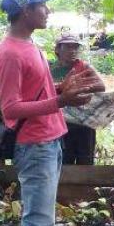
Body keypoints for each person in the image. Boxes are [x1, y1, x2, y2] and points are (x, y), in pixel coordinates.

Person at [0, 0, 103, 226]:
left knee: (46, 217)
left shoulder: (31, 46)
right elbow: (11, 108)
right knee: (37, 221)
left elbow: (35, 91)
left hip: (51, 138)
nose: (47, 10)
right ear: (25, 10)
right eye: (42, 5)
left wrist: (61, 89)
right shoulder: (10, 53)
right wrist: (61, 100)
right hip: (35, 144)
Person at [48, 34, 98, 165]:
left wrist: (78, 88)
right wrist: (61, 87)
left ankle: (86, 185)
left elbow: (101, 86)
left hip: (84, 121)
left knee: (85, 160)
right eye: (68, 47)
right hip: (59, 122)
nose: (73, 51)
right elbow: (42, 90)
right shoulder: (48, 68)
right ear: (57, 49)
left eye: (75, 47)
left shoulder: (84, 67)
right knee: (63, 160)